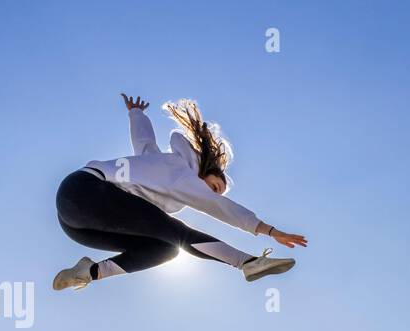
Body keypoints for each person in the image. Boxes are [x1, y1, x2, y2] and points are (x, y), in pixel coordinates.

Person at [52, 94, 307, 290]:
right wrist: (269, 231)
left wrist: (136, 114)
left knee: (165, 249)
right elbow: (220, 208)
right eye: (215, 186)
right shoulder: (179, 169)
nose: (211, 193)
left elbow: (144, 143)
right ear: (206, 170)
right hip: (85, 191)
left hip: (77, 225)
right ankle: (248, 262)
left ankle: (89, 272)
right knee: (177, 232)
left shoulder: (157, 167)